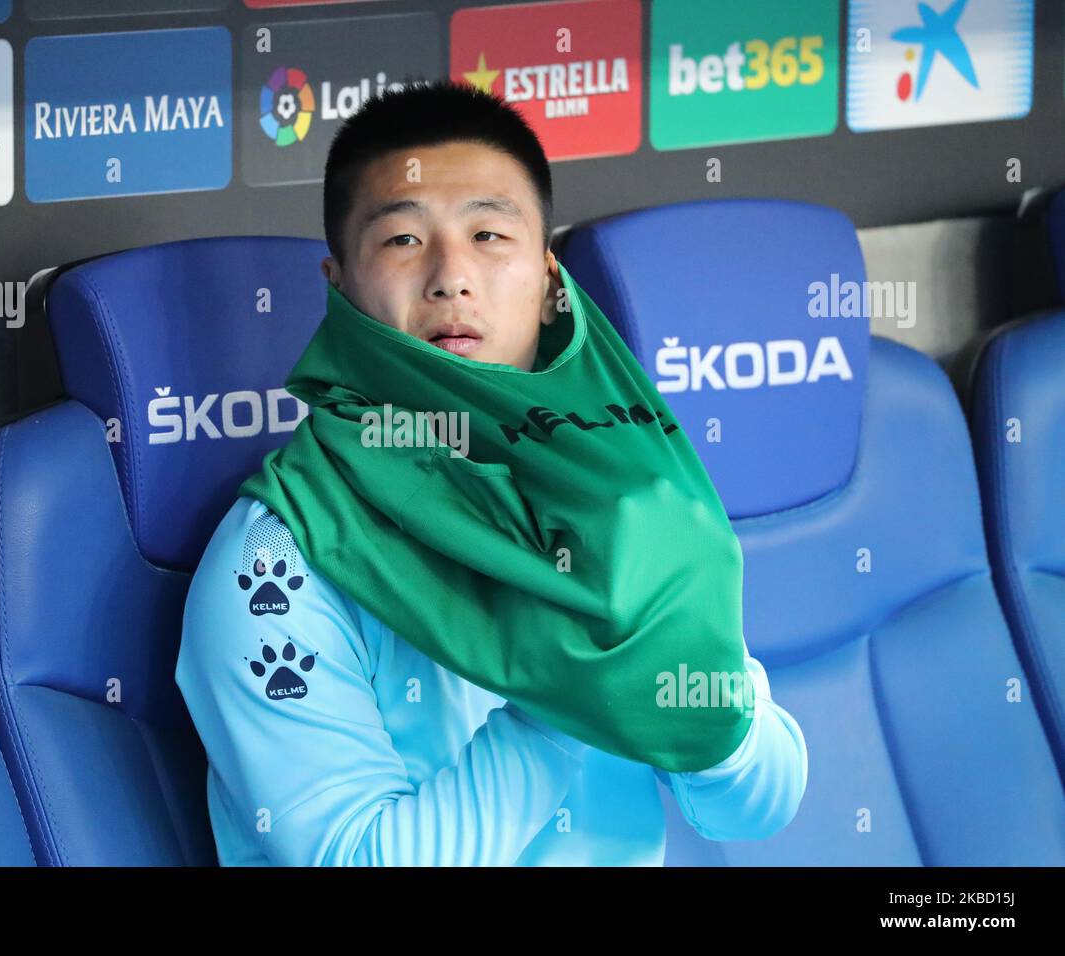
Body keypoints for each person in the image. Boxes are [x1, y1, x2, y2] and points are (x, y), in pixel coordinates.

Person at [175, 80, 807, 866]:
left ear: (549, 283)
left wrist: (699, 691)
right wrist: (569, 683)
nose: (450, 276)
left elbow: (755, 808)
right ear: (338, 286)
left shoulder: (622, 495)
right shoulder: (275, 558)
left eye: (489, 235)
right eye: (403, 240)